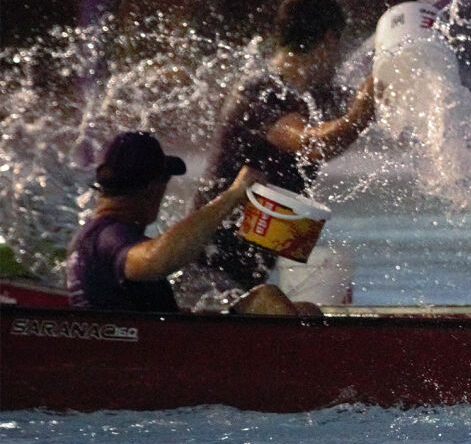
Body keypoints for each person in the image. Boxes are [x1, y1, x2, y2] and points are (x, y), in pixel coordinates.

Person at [176, 0, 377, 311]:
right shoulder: (259, 92)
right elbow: (316, 145)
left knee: (314, 302)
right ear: (329, 39)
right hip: (206, 278)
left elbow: (358, 110)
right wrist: (360, 113)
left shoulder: (315, 94)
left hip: (250, 277)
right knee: (299, 312)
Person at [66, 131, 297, 314]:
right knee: (268, 301)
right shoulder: (110, 236)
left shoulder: (92, 235)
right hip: (156, 358)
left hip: (156, 347)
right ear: (153, 188)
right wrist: (233, 195)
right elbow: (157, 260)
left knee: (305, 310)